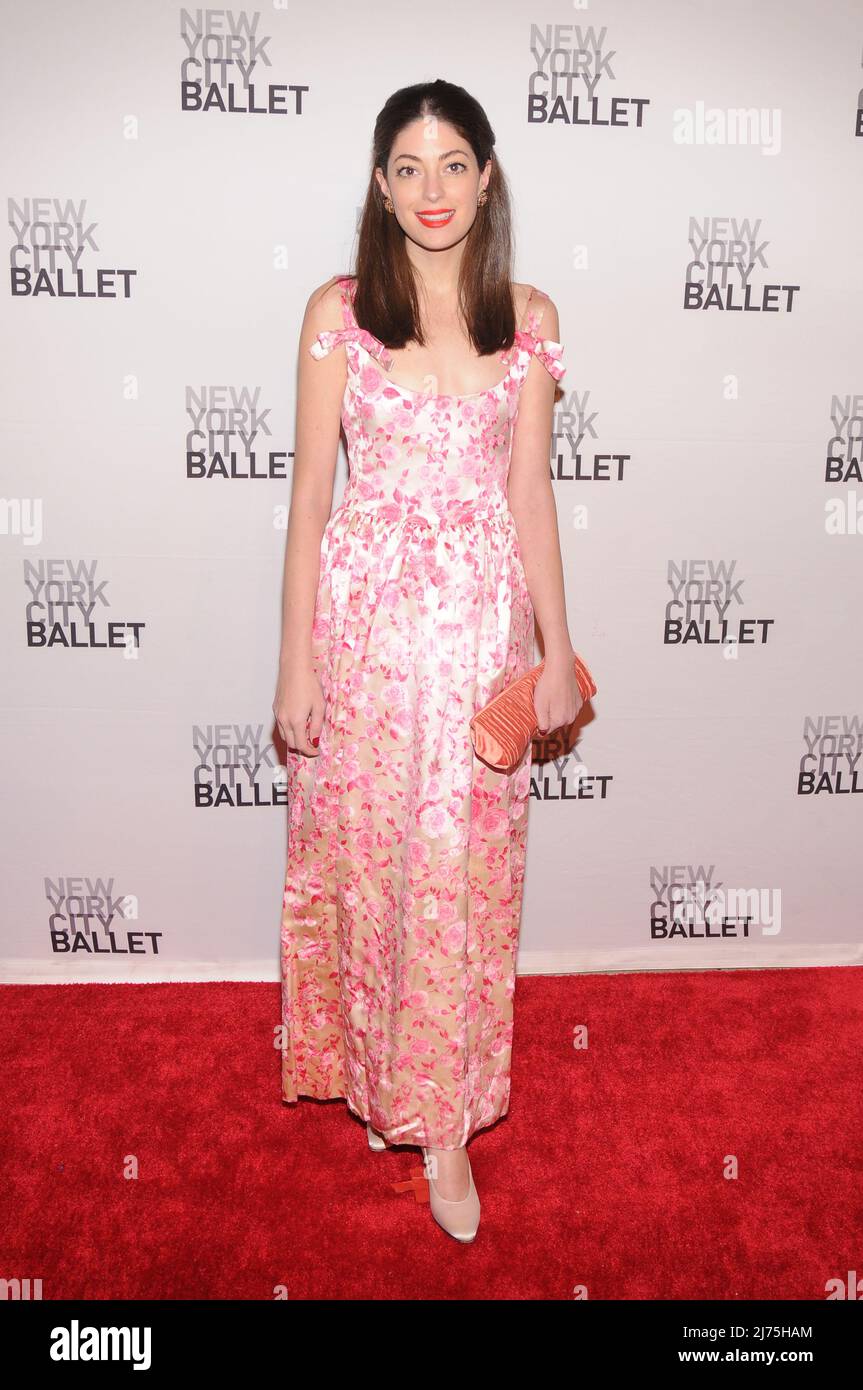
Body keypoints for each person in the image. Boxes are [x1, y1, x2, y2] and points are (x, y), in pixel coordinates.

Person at [274, 78, 583, 1243]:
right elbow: (310, 498)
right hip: (362, 636)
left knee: (458, 882)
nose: (431, 189)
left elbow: (530, 494)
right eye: (406, 165)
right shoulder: (336, 310)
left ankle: (442, 1122)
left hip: (477, 637)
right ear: (377, 182)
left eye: (453, 163)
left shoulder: (532, 318)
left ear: (487, 176)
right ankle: (379, 1080)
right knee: (368, 863)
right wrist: (293, 666)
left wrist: (556, 651)